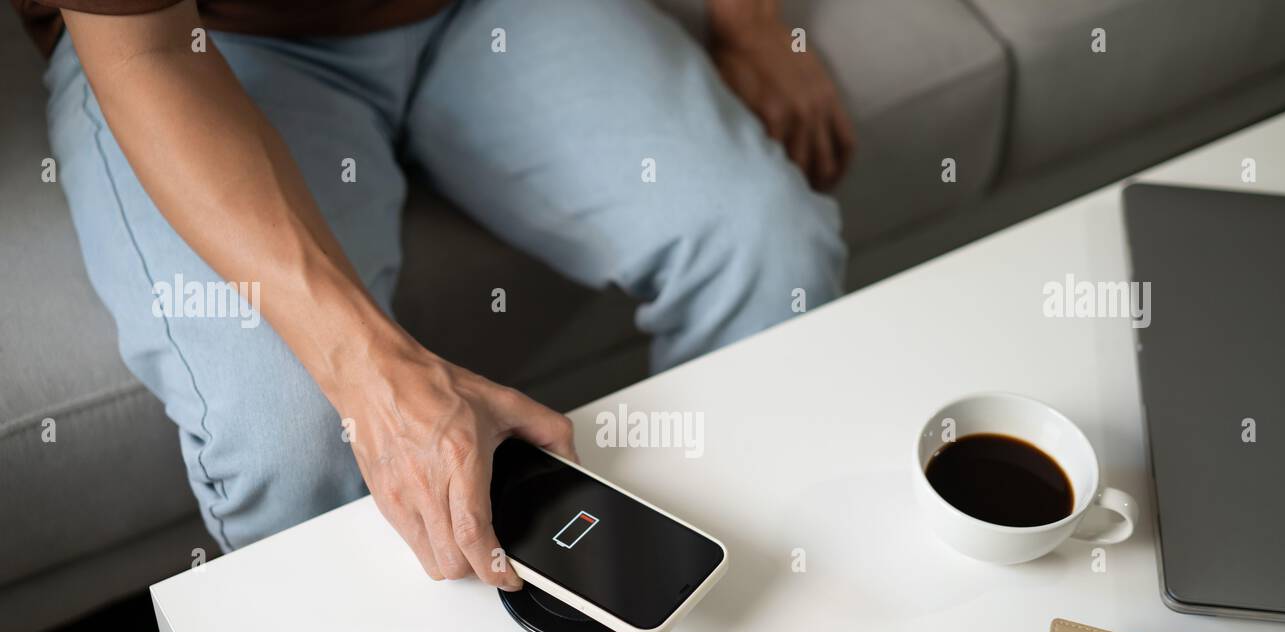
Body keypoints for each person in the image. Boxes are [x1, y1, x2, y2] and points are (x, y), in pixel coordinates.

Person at [20, 0, 852, 589]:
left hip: (483, 15)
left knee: (769, 247)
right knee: (291, 432)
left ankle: (715, 586)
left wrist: (748, 20)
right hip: (200, 45)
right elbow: (142, 50)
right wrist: (364, 369)